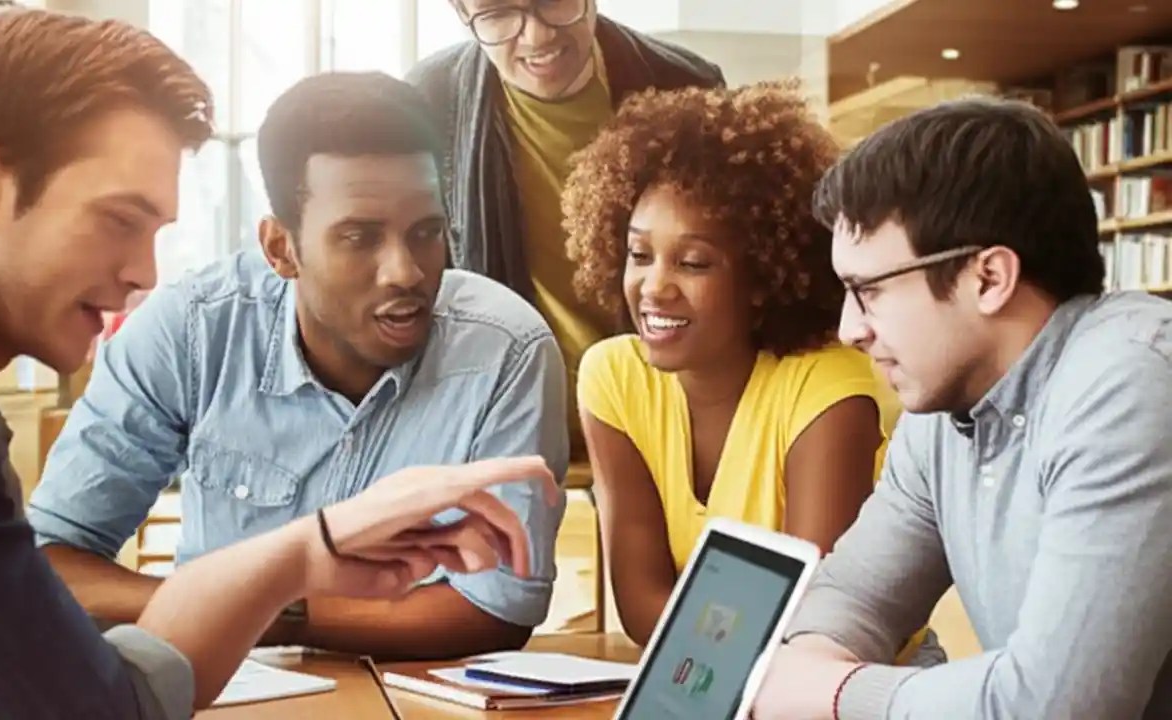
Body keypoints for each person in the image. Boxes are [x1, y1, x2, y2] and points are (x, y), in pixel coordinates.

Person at [0, 9, 558, 719]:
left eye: (155, 232)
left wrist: (293, 565)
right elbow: (103, 707)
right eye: (119, 220)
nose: (143, 274)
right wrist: (293, 568)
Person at [27, 70, 569, 661]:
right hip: (221, 692)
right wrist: (221, 604)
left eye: (426, 232)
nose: (406, 272)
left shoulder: (507, 351)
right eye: (360, 238)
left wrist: (241, 606)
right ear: (281, 248)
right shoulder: (190, 329)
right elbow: (50, 561)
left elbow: (493, 612)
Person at [752, 97, 1172, 720]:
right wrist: (807, 664)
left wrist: (836, 695)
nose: (849, 329)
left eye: (869, 292)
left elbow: (1057, 706)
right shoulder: (945, 410)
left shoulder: (1130, 383)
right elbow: (855, 594)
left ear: (988, 279)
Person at [562, 81, 900, 647]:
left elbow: (806, 618)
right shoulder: (613, 378)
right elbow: (642, 605)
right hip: (701, 674)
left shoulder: (825, 382)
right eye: (639, 254)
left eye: (694, 263)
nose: (654, 287)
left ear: (764, 279)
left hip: (848, 676)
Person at [407, 0, 723, 460]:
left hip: (664, 427)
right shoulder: (428, 102)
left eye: (552, 2)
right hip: (504, 429)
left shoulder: (687, 86)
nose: (536, 37)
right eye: (497, 14)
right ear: (462, 14)